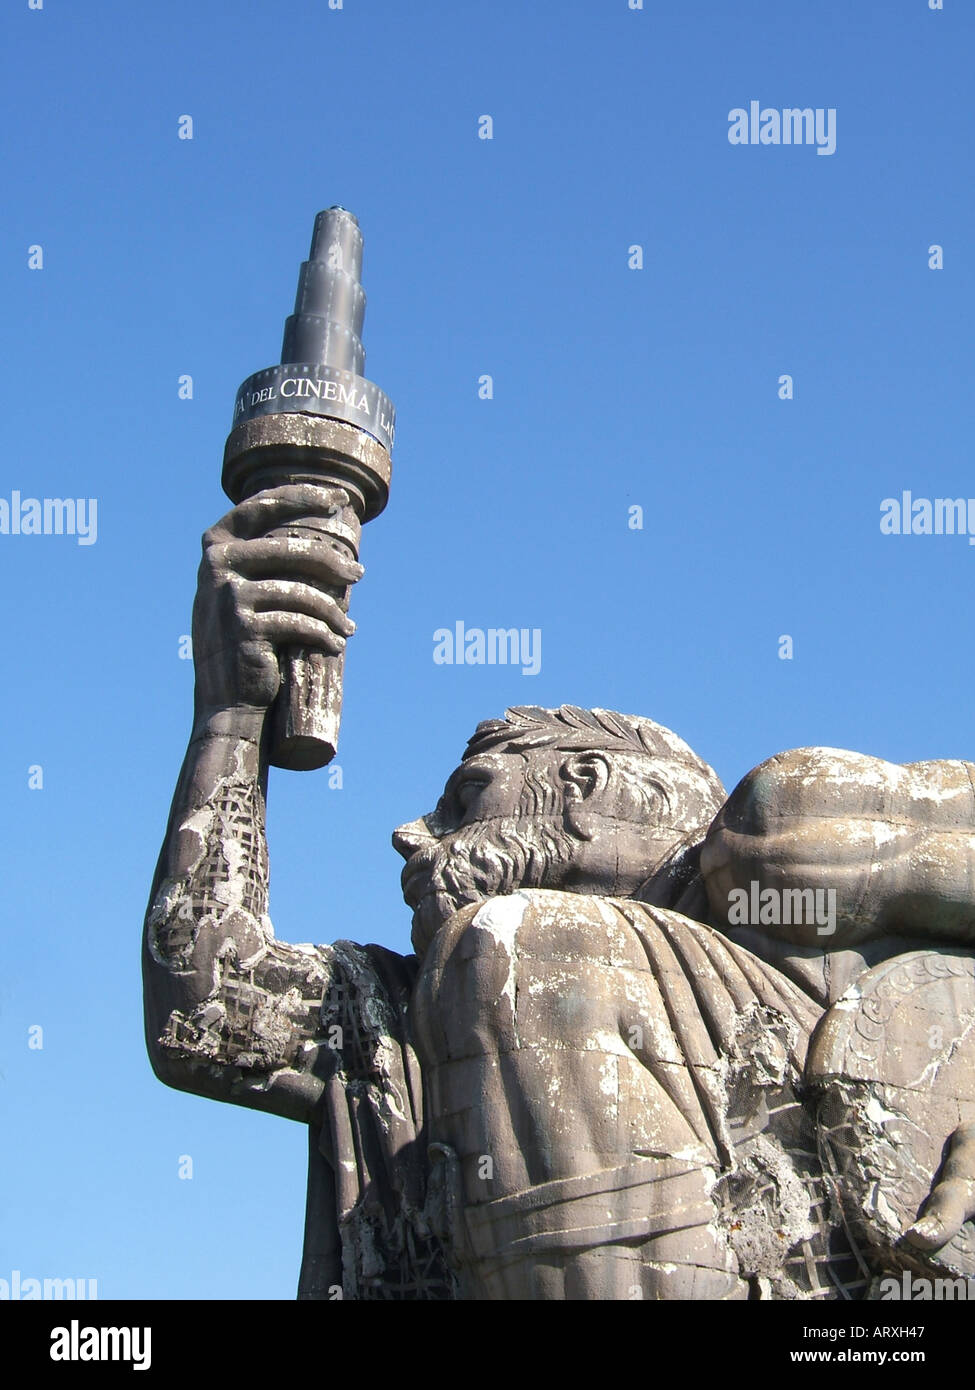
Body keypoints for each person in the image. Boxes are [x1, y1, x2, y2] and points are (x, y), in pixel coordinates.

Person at [143, 483, 975, 1299]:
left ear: (580, 781)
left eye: (465, 797)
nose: (412, 833)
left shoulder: (785, 834)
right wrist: (232, 716)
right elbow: (211, 1010)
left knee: (528, 947)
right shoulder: (440, 1003)